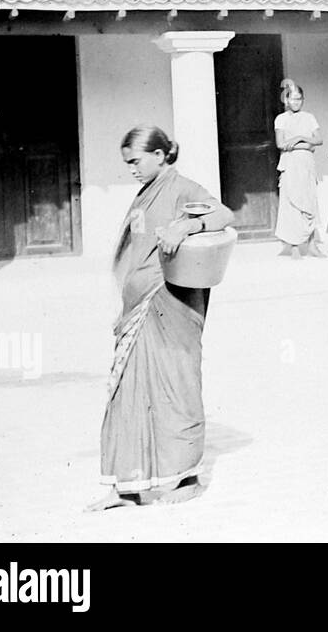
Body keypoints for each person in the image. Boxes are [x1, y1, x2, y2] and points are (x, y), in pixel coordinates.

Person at [88, 125, 234, 510]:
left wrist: (187, 224)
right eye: (127, 163)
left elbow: (223, 212)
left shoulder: (180, 187)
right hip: (138, 306)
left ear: (159, 154)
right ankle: (127, 486)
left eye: (136, 161)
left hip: (170, 304)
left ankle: (186, 477)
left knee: (175, 387)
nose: (132, 169)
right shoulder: (145, 192)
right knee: (128, 391)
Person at [274, 79, 325, 259]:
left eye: (300, 99)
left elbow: (318, 140)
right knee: (291, 204)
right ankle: (294, 247)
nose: (296, 103)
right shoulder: (281, 119)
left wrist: (299, 138)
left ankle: (311, 245)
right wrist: (305, 144)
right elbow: (281, 143)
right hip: (290, 165)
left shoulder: (309, 118)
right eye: (293, 99)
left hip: (306, 165)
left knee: (309, 203)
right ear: (286, 100)